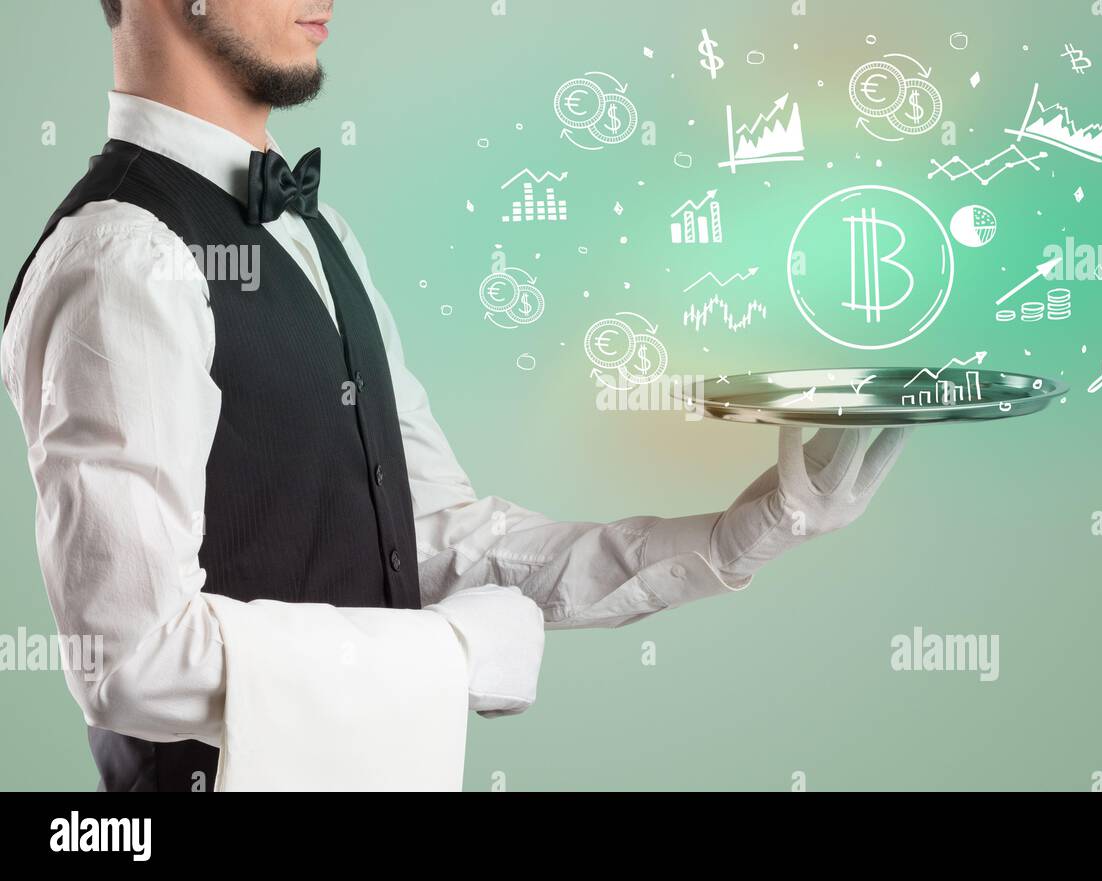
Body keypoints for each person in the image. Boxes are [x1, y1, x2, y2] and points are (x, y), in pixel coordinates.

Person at [0, 0, 910, 791]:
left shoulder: (325, 237)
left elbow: (440, 542)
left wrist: (749, 529)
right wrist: (453, 656)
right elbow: (128, 659)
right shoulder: (123, 257)